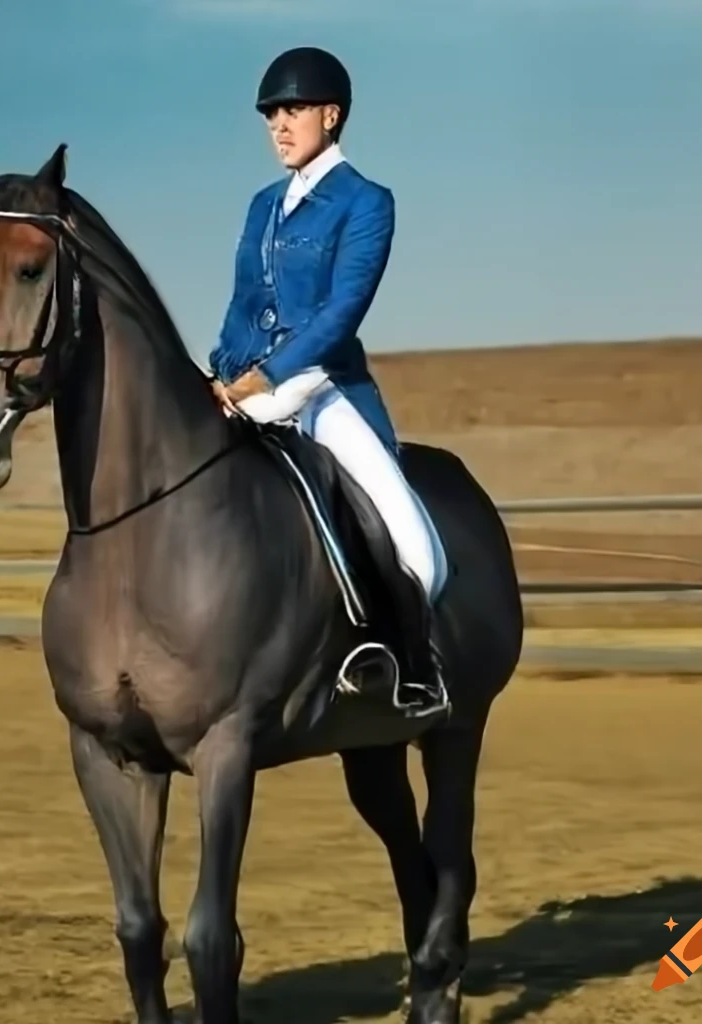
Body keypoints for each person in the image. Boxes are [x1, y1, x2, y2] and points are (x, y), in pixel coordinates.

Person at [208, 46, 450, 717]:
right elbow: (242, 302)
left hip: (325, 392)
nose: (279, 125)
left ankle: (408, 663)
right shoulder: (262, 206)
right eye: (271, 115)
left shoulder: (367, 203)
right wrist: (220, 370)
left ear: (331, 115)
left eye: (293, 110)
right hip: (249, 388)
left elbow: (342, 313)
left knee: (413, 547)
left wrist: (269, 375)